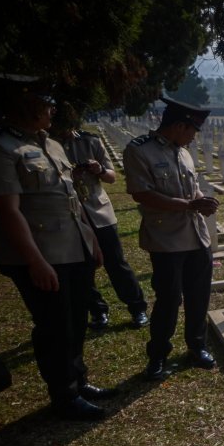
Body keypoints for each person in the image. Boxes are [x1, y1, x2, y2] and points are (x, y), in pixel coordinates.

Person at [0, 73, 111, 420]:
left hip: (74, 246)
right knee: (55, 326)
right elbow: (8, 211)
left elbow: (71, 198)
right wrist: (35, 262)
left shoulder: (52, 144)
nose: (53, 110)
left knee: (77, 319)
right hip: (42, 253)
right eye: (47, 103)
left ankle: (78, 380)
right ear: (27, 105)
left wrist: (91, 239)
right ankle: (64, 395)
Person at [123, 97, 219, 380]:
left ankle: (197, 346)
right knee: (168, 299)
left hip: (196, 236)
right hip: (166, 239)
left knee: (198, 296)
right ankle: (158, 355)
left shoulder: (184, 152)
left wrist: (201, 200)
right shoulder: (140, 150)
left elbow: (192, 188)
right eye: (193, 131)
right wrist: (188, 205)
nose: (194, 137)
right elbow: (141, 193)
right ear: (179, 126)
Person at [54, 122, 149, 329]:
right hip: (70, 215)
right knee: (82, 267)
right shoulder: (49, 145)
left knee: (116, 263)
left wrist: (99, 169)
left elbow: (112, 177)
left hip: (98, 211)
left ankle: (137, 307)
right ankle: (97, 311)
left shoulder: (90, 141)